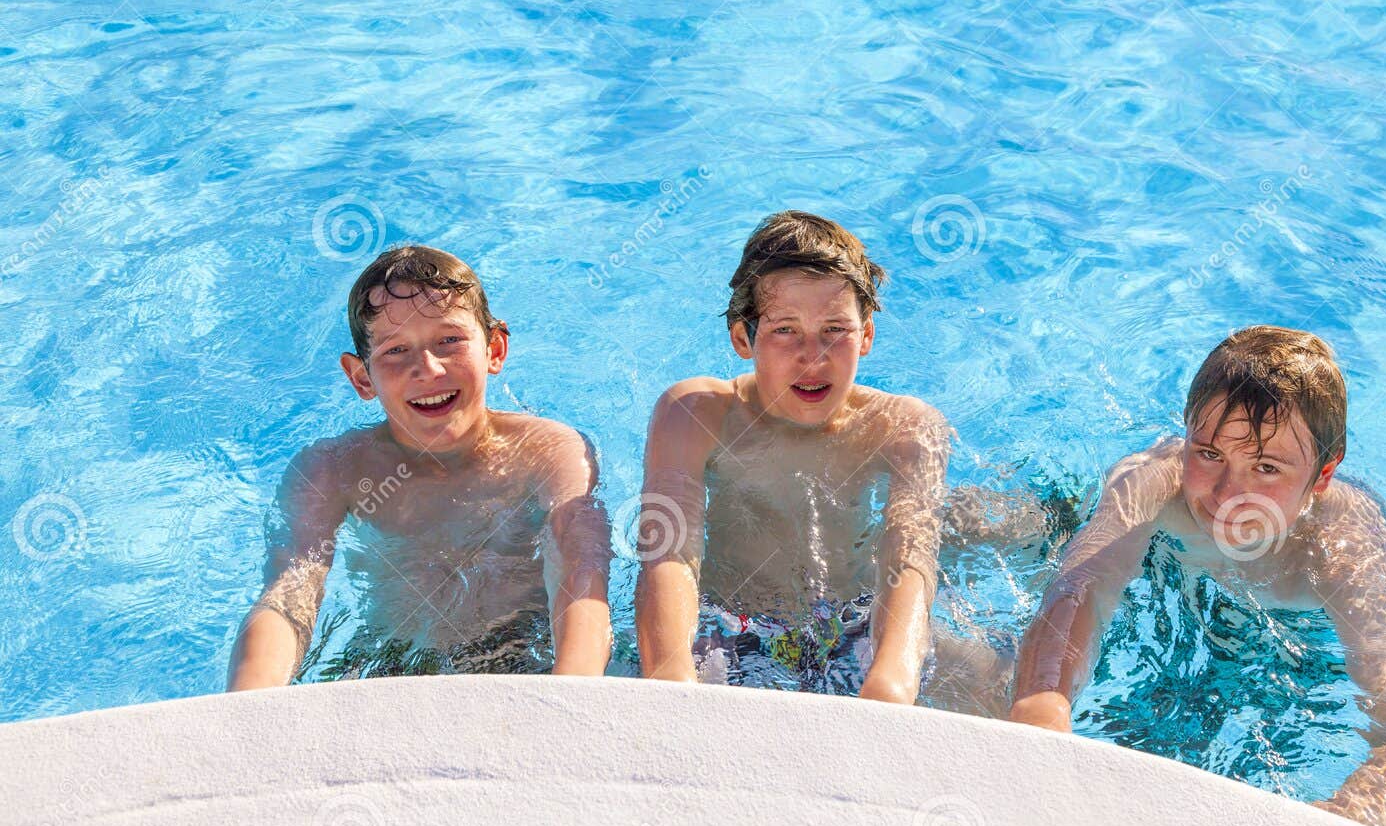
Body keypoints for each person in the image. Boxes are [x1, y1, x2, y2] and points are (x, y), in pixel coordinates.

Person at [1010, 326, 1386, 826]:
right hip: (1159, 566)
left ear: (1324, 474)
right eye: (1209, 454)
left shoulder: (1342, 549)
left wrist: (1341, 823)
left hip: (1295, 646)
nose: (1230, 492)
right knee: (1019, 534)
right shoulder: (1156, 481)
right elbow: (1082, 589)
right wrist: (1044, 701)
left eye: (1266, 467)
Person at [631, 211, 1005, 710]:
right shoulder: (697, 414)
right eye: (786, 330)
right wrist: (671, 670)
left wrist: (891, 678)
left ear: (867, 335)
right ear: (742, 338)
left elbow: (909, 556)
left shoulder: (903, 426)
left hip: (854, 625)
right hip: (729, 631)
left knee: (996, 681)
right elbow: (669, 555)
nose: (814, 356)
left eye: (835, 329)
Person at [226, 245, 612, 690]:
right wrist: (249, 703)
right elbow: (291, 588)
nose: (427, 369)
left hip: (528, 651)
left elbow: (581, 566)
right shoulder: (333, 469)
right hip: (390, 661)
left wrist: (573, 689)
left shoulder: (547, 451)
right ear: (362, 378)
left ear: (495, 349)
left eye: (449, 340)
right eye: (396, 351)